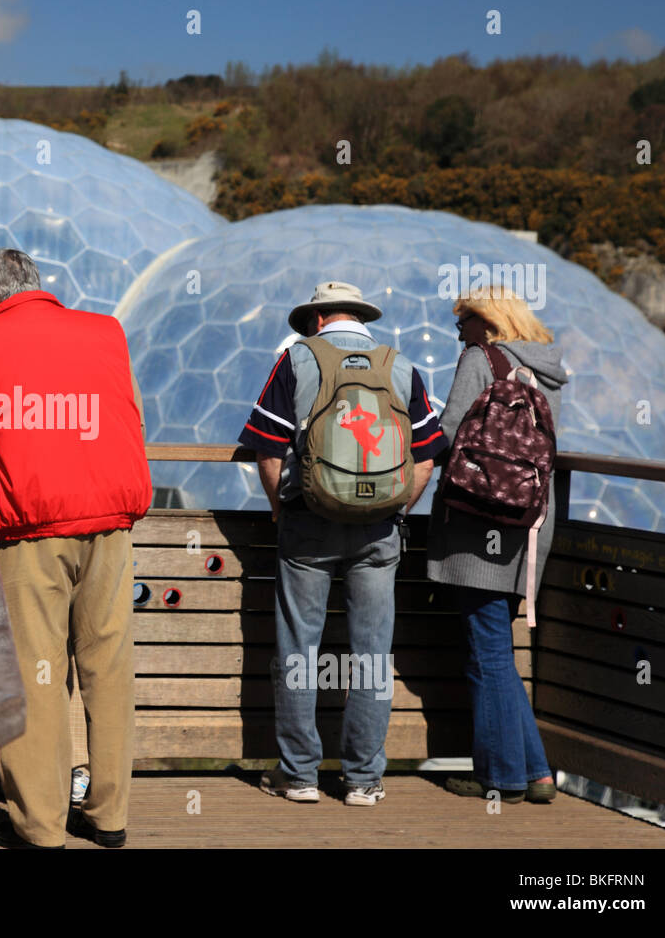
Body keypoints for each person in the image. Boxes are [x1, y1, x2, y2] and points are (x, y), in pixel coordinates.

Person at [0, 248, 151, 848]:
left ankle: (40, 825)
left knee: (36, 672)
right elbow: (129, 413)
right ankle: (108, 818)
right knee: (108, 669)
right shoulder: (107, 332)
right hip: (111, 524)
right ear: (36, 284)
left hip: (30, 529)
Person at [238, 281, 447, 806]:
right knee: (373, 654)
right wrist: (397, 507)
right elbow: (425, 456)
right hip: (379, 529)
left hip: (308, 523)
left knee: (298, 649)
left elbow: (266, 448)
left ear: (318, 318)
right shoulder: (399, 366)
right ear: (359, 318)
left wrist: (280, 508)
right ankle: (363, 779)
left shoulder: (297, 359)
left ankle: (300, 775)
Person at [427, 286, 568, 804]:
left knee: (486, 653)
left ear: (488, 322)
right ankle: (536, 772)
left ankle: (501, 778)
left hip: (477, 519)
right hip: (529, 522)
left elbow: (447, 435)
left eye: (463, 319)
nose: (458, 329)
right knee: (497, 649)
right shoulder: (547, 371)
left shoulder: (479, 359)